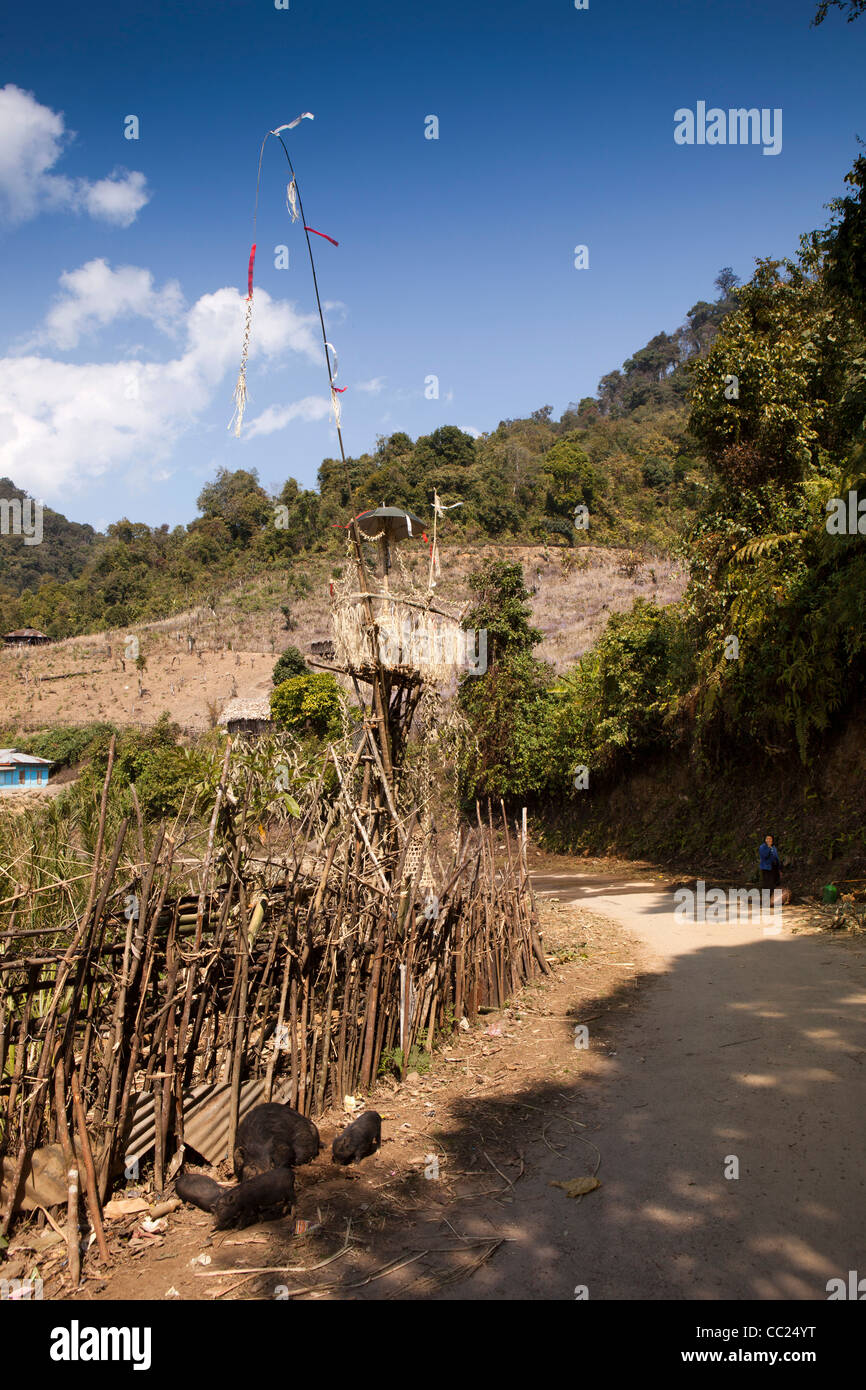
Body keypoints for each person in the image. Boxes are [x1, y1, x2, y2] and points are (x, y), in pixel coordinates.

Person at [758, 834, 781, 900]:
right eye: (767, 839)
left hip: (774, 867)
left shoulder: (773, 847)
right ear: (765, 840)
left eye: (770, 839)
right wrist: (768, 848)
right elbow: (764, 856)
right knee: (767, 883)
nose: (769, 840)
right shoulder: (762, 847)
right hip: (766, 867)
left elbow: (776, 857)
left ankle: (772, 898)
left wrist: (779, 866)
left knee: (774, 883)